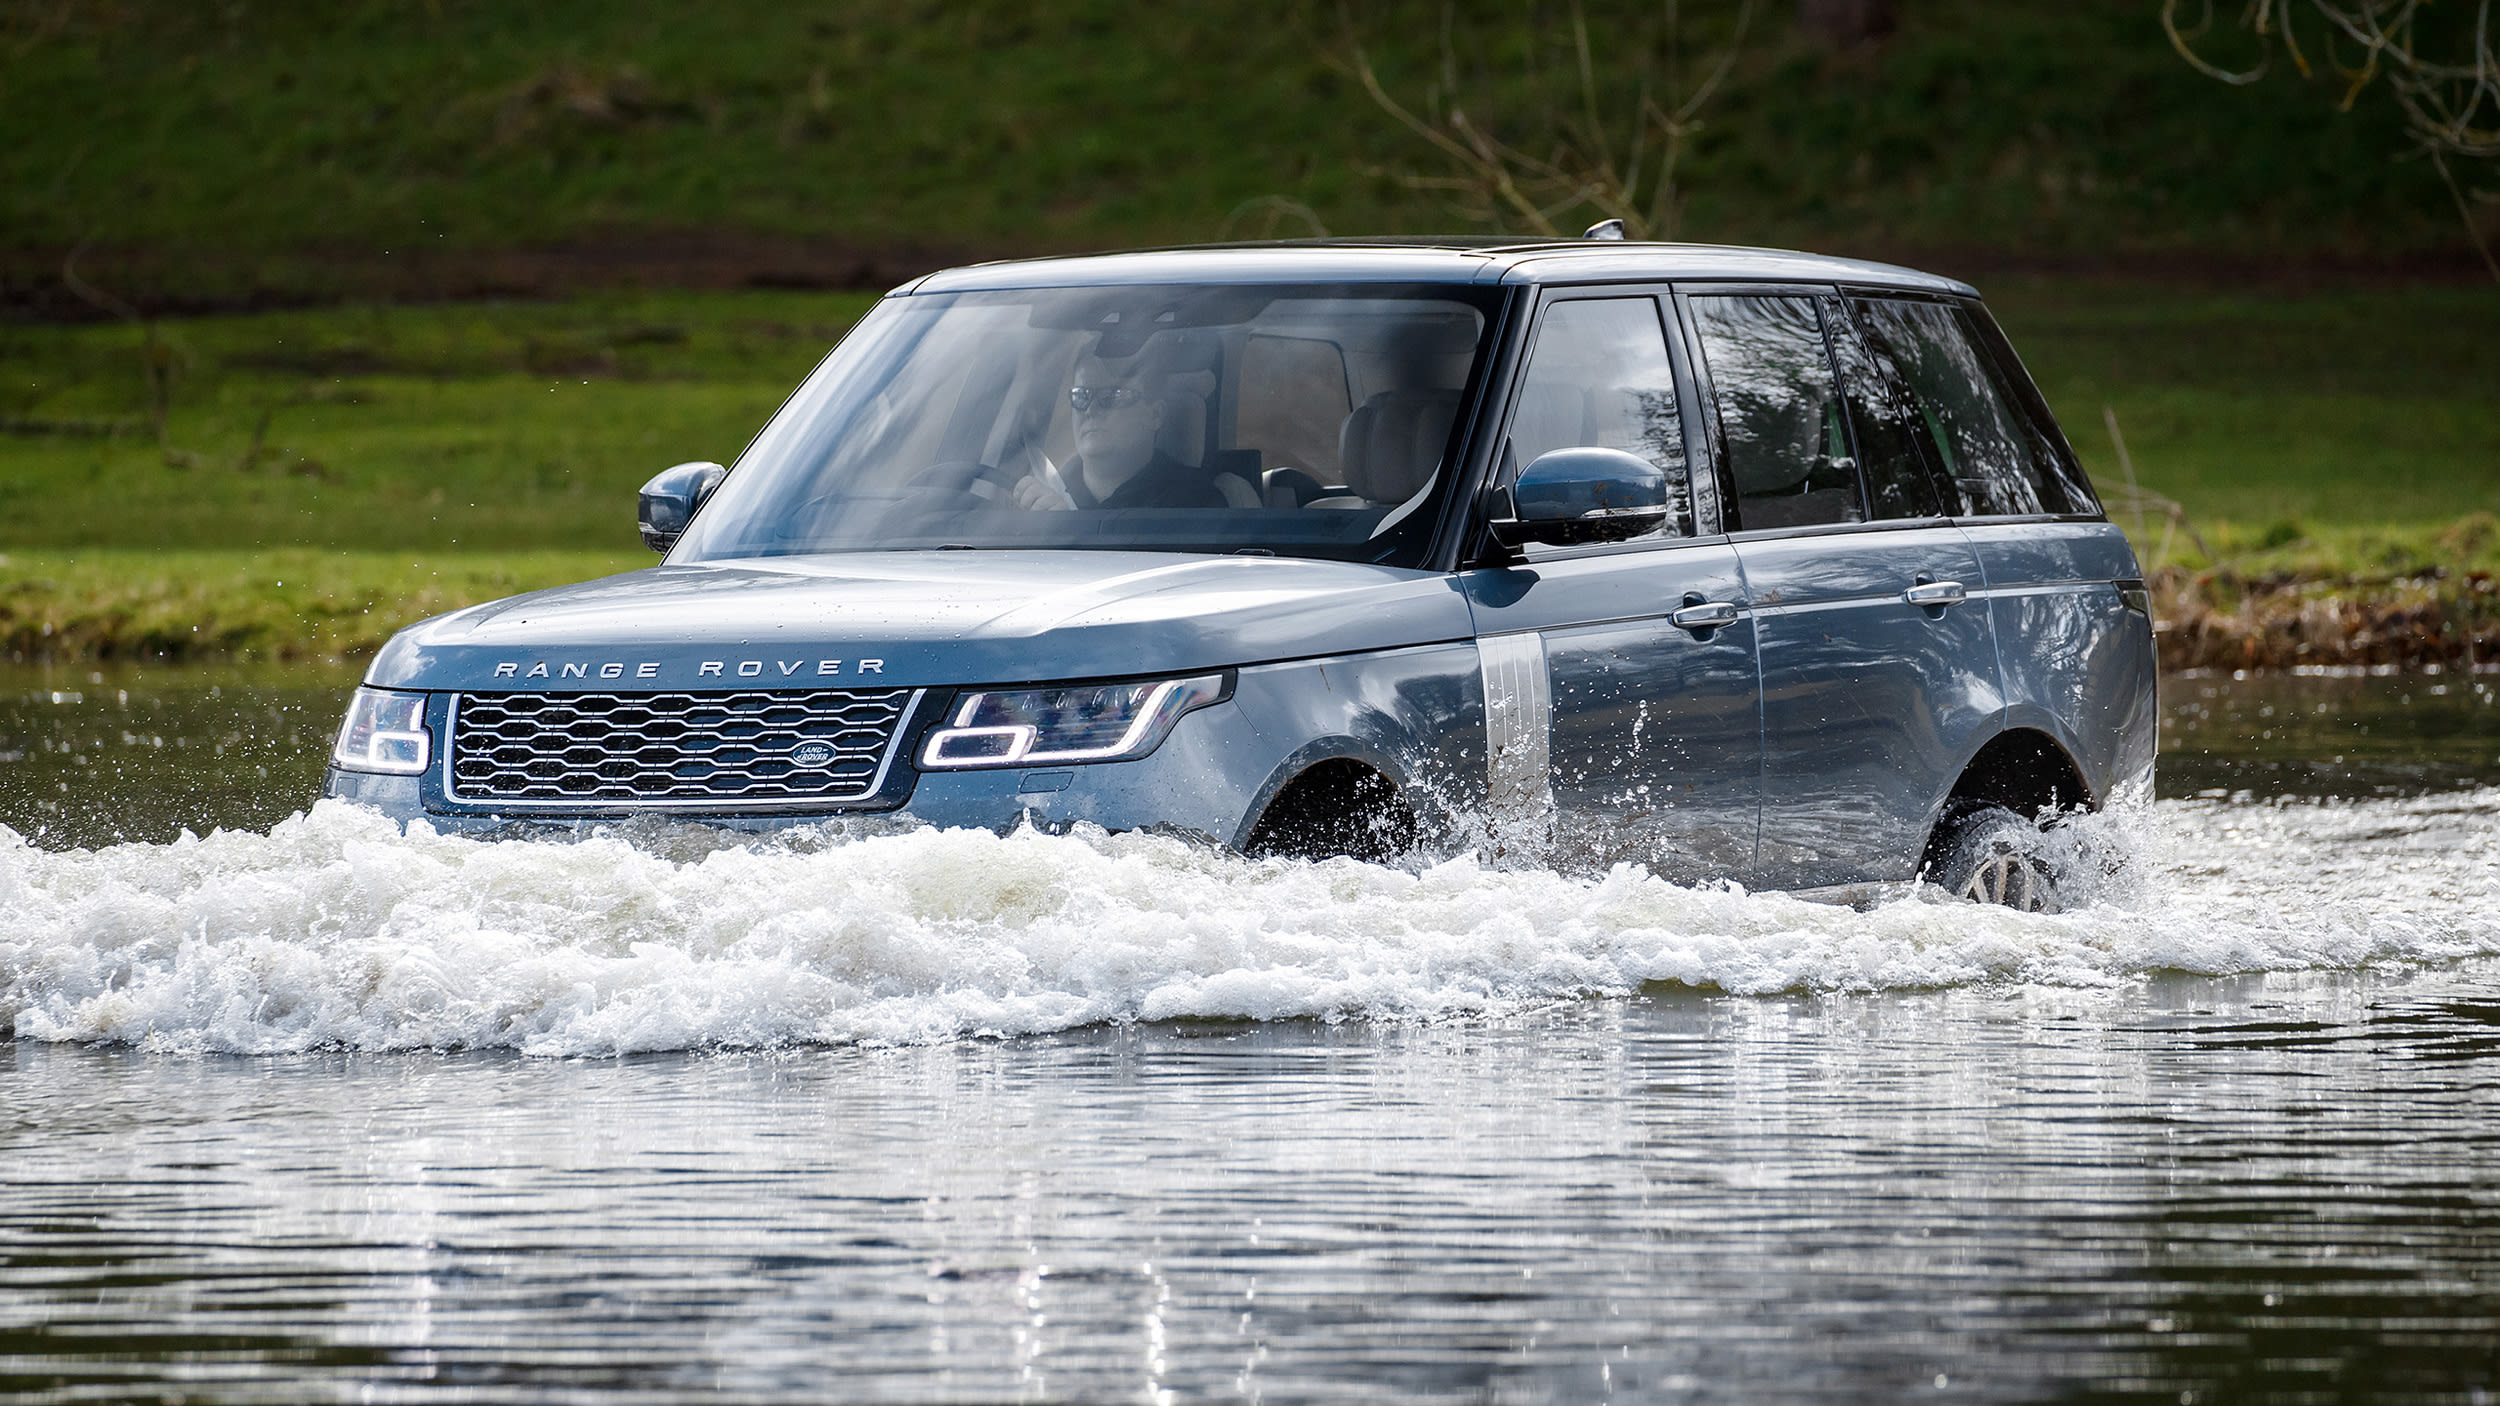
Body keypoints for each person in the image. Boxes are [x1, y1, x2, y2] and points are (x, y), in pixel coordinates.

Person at [1012, 346, 1227, 510]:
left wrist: (1068, 528)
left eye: (1113, 396)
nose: (1090, 409)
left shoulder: (1197, 504)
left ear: (1155, 414)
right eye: (1081, 396)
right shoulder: (1040, 495)